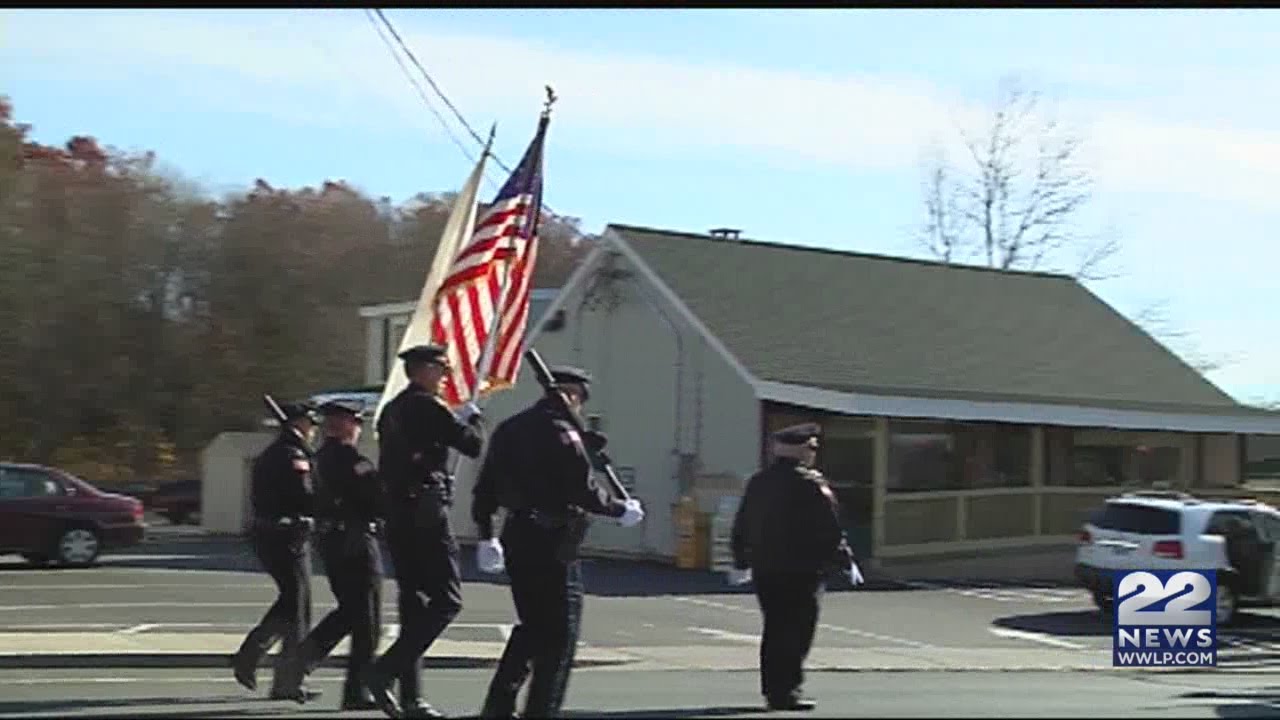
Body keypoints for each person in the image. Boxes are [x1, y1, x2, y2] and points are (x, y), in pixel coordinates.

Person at [472, 365, 646, 719]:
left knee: (532, 626)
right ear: (576, 397)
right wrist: (619, 510)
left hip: (517, 534)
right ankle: (542, 710)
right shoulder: (565, 433)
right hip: (553, 542)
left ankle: (499, 703)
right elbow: (583, 490)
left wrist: (486, 536)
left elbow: (485, 489)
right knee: (559, 635)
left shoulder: (510, 428)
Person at [364, 343, 486, 719]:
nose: (445, 377)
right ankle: (384, 671)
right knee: (447, 601)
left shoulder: (392, 410)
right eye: (441, 370)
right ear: (424, 370)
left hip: (399, 513)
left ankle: (411, 697)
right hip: (426, 512)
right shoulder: (428, 407)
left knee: (414, 604)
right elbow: (472, 445)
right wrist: (472, 418)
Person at [729, 422, 865, 712]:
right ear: (801, 451)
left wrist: (740, 559)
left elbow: (742, 523)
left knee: (775, 627)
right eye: (812, 448)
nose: (814, 453)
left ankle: (774, 689)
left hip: (766, 568)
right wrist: (845, 559)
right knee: (797, 630)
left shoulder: (759, 481)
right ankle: (786, 691)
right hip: (802, 569)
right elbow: (828, 527)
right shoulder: (810, 484)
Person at [278, 398, 384, 710]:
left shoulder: (318, 458)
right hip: (356, 539)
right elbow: (377, 499)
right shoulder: (352, 460)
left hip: (330, 540)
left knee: (349, 611)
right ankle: (356, 691)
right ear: (351, 425)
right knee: (367, 619)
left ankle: (301, 661)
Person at [232, 400, 323, 704]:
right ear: (299, 424)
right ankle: (262, 663)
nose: (313, 431)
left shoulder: (282, 452)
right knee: (297, 608)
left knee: (292, 604)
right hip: (285, 536)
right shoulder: (291, 455)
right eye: (310, 424)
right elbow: (305, 496)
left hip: (276, 534)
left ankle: (258, 659)